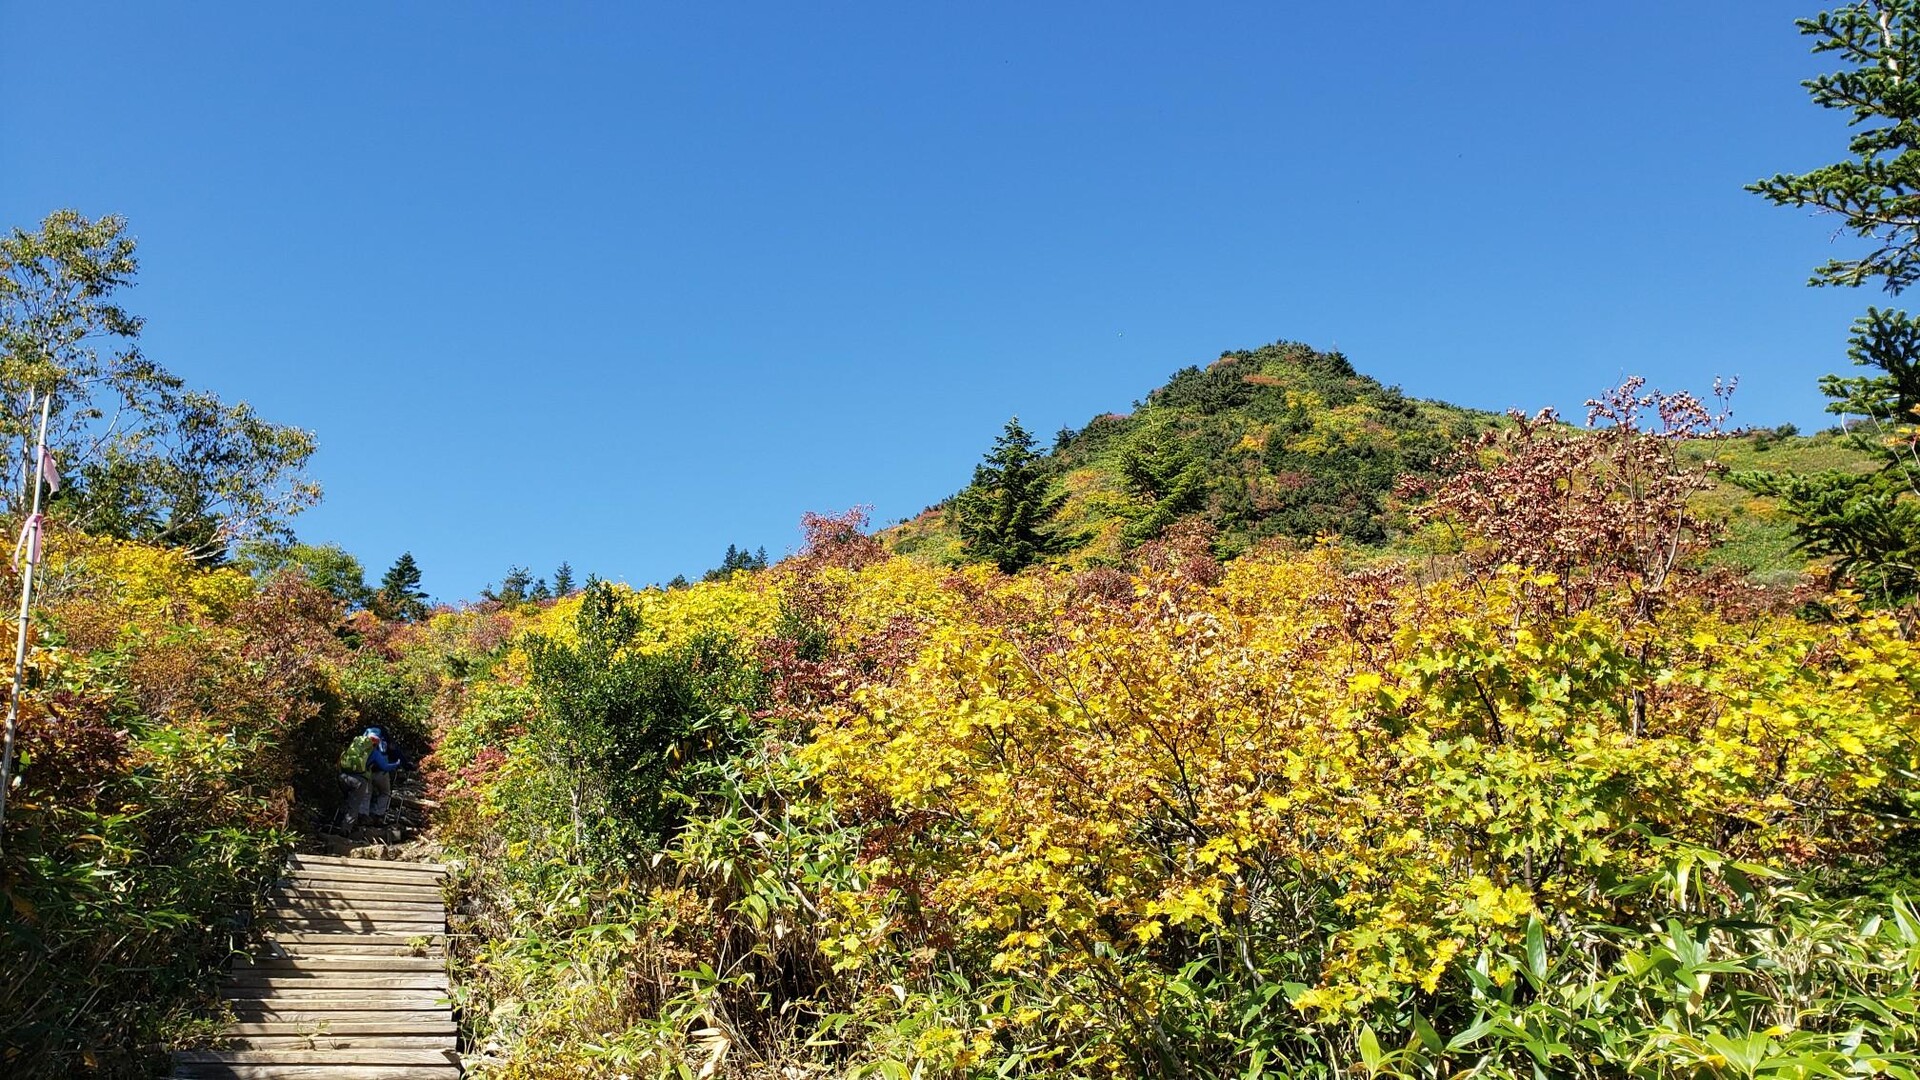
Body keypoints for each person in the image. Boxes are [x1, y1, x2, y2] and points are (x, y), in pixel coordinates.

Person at [337, 726, 399, 832]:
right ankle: (347, 830)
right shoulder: (373, 751)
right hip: (360, 780)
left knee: (351, 799)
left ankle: (343, 821)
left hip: (343, 776)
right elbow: (384, 766)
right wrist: (397, 764)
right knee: (357, 803)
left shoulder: (354, 746)